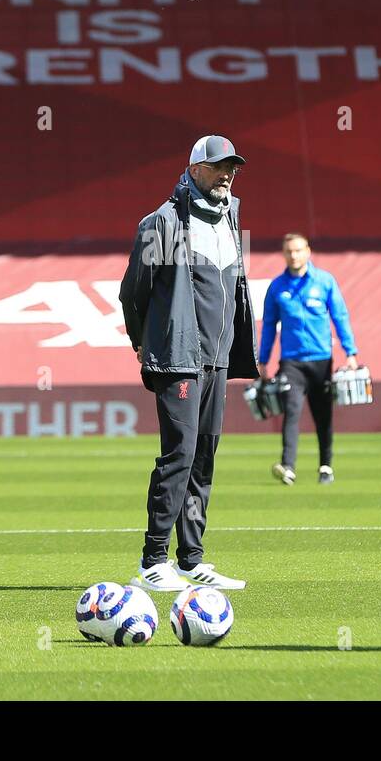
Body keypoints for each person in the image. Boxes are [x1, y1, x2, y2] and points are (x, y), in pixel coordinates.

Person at [119, 135, 258, 592]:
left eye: (232, 168)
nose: (227, 175)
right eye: (219, 167)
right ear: (195, 168)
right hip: (177, 356)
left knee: (204, 458)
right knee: (179, 455)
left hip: (217, 358)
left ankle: (191, 559)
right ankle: (152, 560)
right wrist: (145, 344)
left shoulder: (230, 215)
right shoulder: (161, 222)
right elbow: (132, 292)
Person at [258, 232, 358, 485]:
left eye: (298, 250)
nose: (294, 255)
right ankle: (288, 467)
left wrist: (351, 352)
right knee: (291, 412)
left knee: (323, 416)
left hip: (321, 361)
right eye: (289, 251)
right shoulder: (277, 287)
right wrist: (262, 360)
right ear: (284, 254)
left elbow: (340, 316)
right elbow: (269, 325)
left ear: (308, 252)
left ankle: (326, 466)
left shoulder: (324, 282)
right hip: (291, 362)